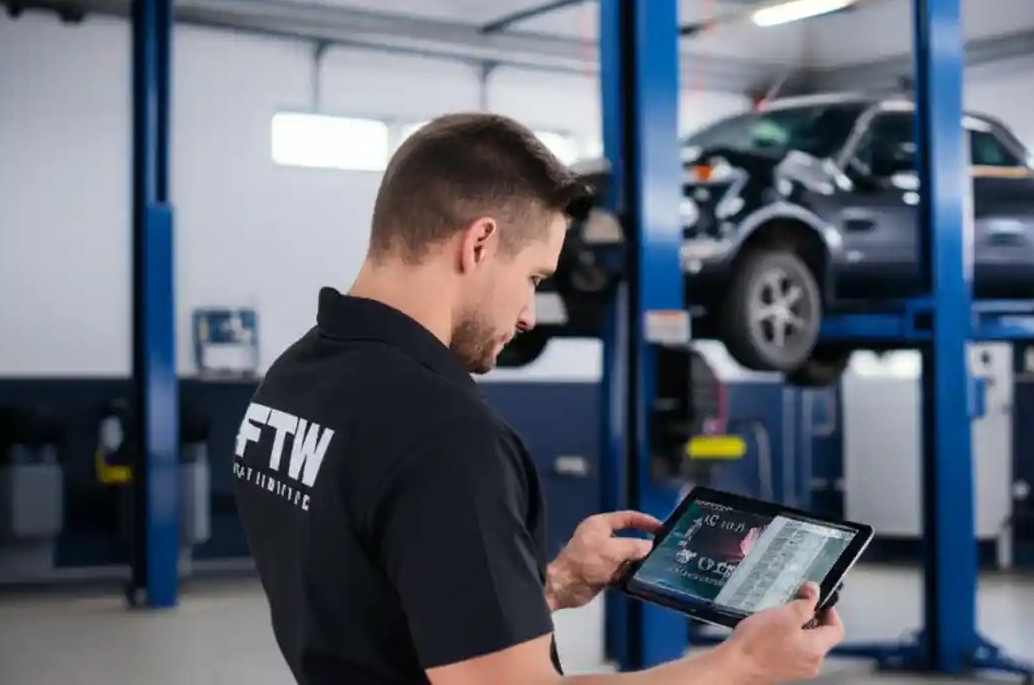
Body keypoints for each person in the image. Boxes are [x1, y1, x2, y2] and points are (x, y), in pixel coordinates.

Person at [232, 112, 845, 685]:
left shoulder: (291, 382)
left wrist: (550, 583)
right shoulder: (444, 435)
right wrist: (739, 663)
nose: (528, 315)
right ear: (479, 243)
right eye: (533, 278)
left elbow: (378, 601)